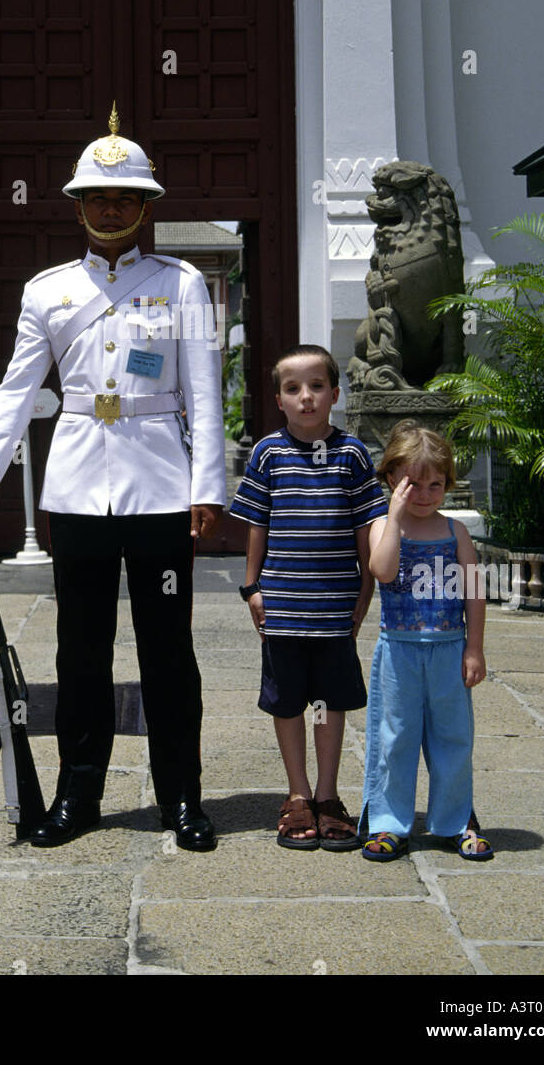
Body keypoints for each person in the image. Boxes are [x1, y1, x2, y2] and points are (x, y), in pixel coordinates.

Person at [0, 107, 227, 851]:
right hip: (76, 492)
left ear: (145, 207)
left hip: (161, 487)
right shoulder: (47, 291)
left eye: (126, 198)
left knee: (168, 649)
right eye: (99, 198)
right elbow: (15, 392)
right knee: (81, 650)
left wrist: (209, 487)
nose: (112, 208)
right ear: (78, 206)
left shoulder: (184, 283)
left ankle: (182, 797)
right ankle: (80, 794)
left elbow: (206, 389)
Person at [229, 345, 387, 850]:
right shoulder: (268, 454)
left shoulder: (352, 454)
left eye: (317, 386)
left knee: (326, 701)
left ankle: (326, 795)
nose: (306, 397)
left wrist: (366, 592)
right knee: (289, 701)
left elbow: (367, 528)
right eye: (294, 389)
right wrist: (252, 588)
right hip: (282, 606)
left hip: (334, 609)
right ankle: (296, 793)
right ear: (279, 398)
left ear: (335, 394)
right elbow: (258, 524)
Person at [359, 421, 493, 862]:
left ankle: (457, 820)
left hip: (449, 648)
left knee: (454, 737)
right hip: (398, 651)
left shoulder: (456, 533)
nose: (425, 494)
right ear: (391, 479)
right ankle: (388, 822)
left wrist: (474, 647)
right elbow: (382, 571)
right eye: (413, 484)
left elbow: (474, 590)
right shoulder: (383, 528)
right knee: (394, 738)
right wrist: (395, 517)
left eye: (436, 484)